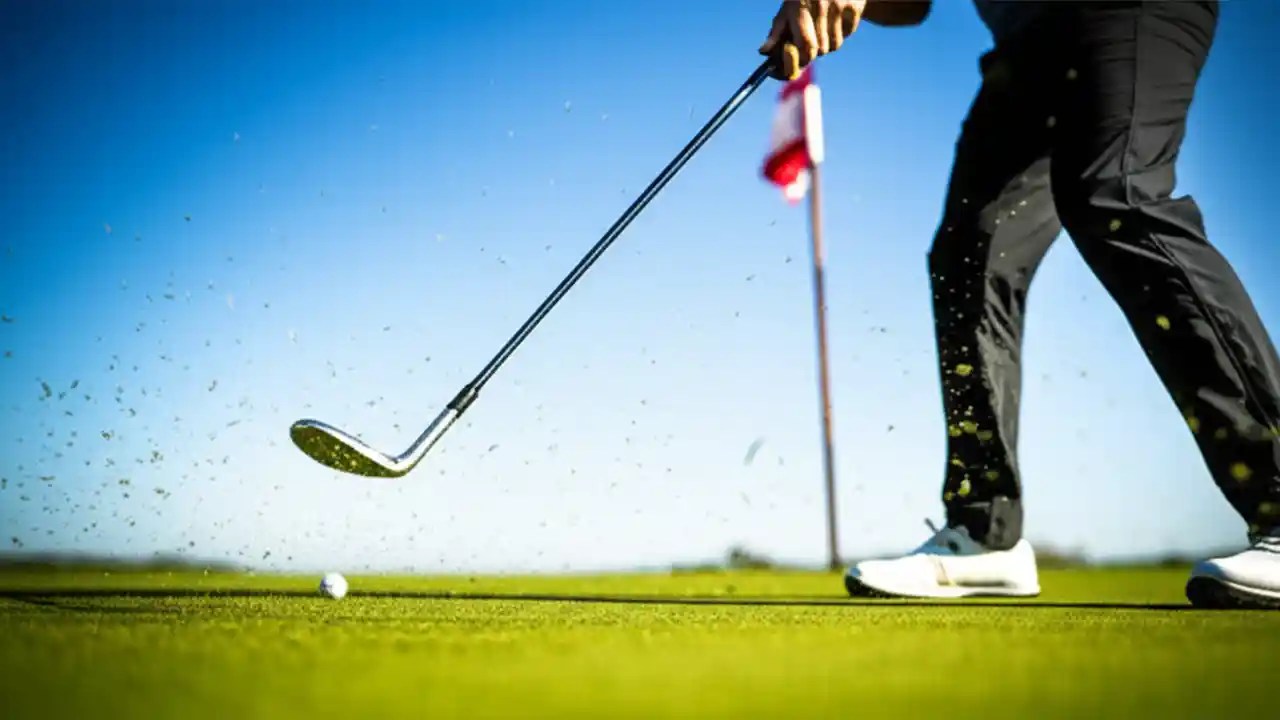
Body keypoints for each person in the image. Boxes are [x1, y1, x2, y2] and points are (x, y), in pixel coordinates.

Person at [760, 0, 1280, 609]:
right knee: (971, 252)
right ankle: (986, 533)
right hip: (1028, 45)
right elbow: (911, 7)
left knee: (1117, 196)